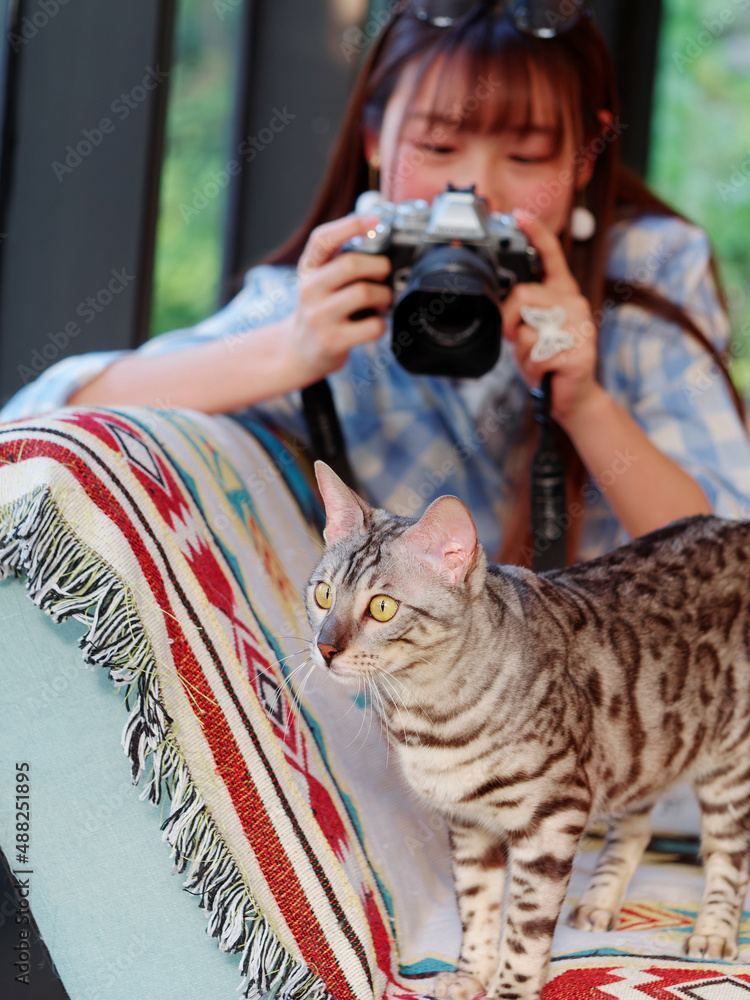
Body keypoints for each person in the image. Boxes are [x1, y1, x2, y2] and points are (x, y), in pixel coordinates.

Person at [3, 0, 750, 564]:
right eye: (436, 144)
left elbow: (728, 560)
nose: (473, 192)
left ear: (586, 160)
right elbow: (40, 422)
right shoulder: (348, 277)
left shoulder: (641, 276)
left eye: (525, 156)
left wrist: (584, 400)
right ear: (372, 140)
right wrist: (291, 351)